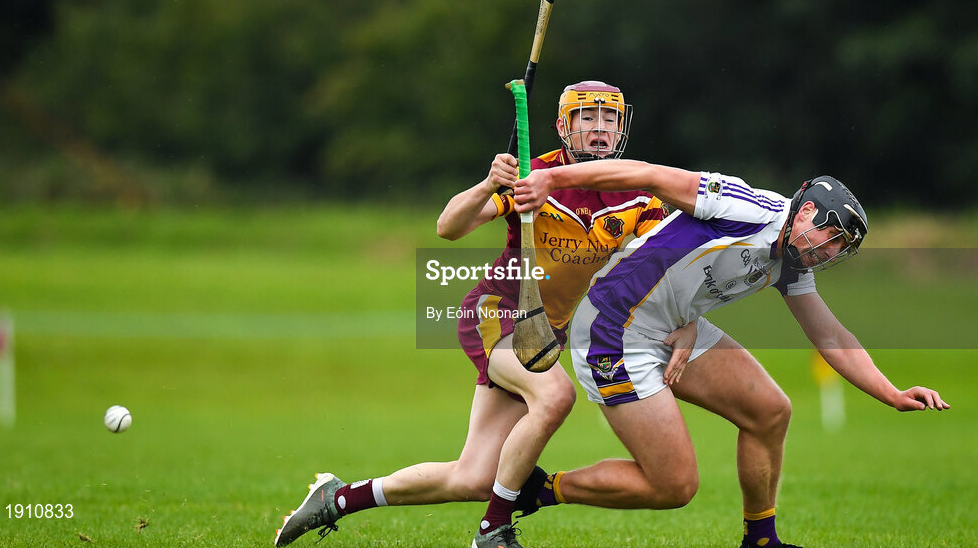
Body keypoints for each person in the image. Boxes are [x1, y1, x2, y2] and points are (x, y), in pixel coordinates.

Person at [273, 81, 676, 548]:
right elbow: (448, 227)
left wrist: (681, 323)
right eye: (587, 119)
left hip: (546, 334)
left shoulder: (639, 198)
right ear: (565, 127)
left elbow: (660, 273)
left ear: (622, 129)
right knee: (555, 397)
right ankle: (493, 530)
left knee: (473, 477)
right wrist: (491, 183)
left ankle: (337, 499)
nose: (600, 130)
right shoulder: (535, 175)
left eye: (610, 120)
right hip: (497, 315)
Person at [507, 160, 950, 548]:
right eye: (831, 238)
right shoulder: (747, 208)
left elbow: (829, 335)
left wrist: (891, 393)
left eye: (839, 249)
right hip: (612, 329)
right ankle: (542, 489)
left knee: (770, 411)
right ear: (807, 211)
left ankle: (761, 539)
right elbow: (648, 175)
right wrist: (552, 178)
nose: (829, 253)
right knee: (675, 486)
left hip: (672, 326)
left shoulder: (792, 262)